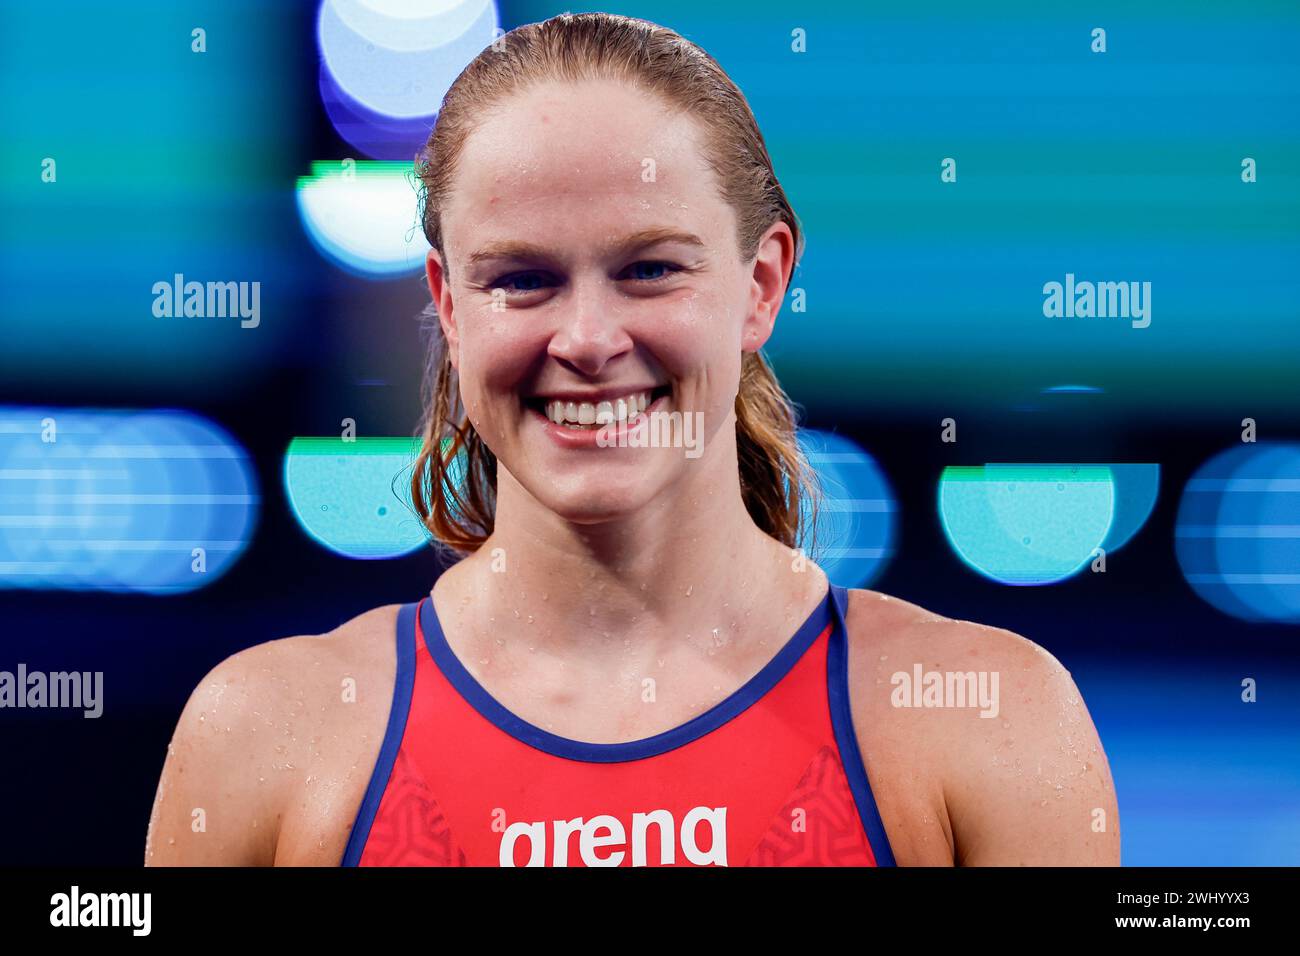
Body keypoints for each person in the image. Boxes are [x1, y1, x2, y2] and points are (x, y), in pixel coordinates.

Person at [146, 12, 1119, 867]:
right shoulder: (269, 735)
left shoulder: (983, 721)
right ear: (448, 304)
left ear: (762, 283)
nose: (586, 339)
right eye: (521, 277)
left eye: (650, 269)